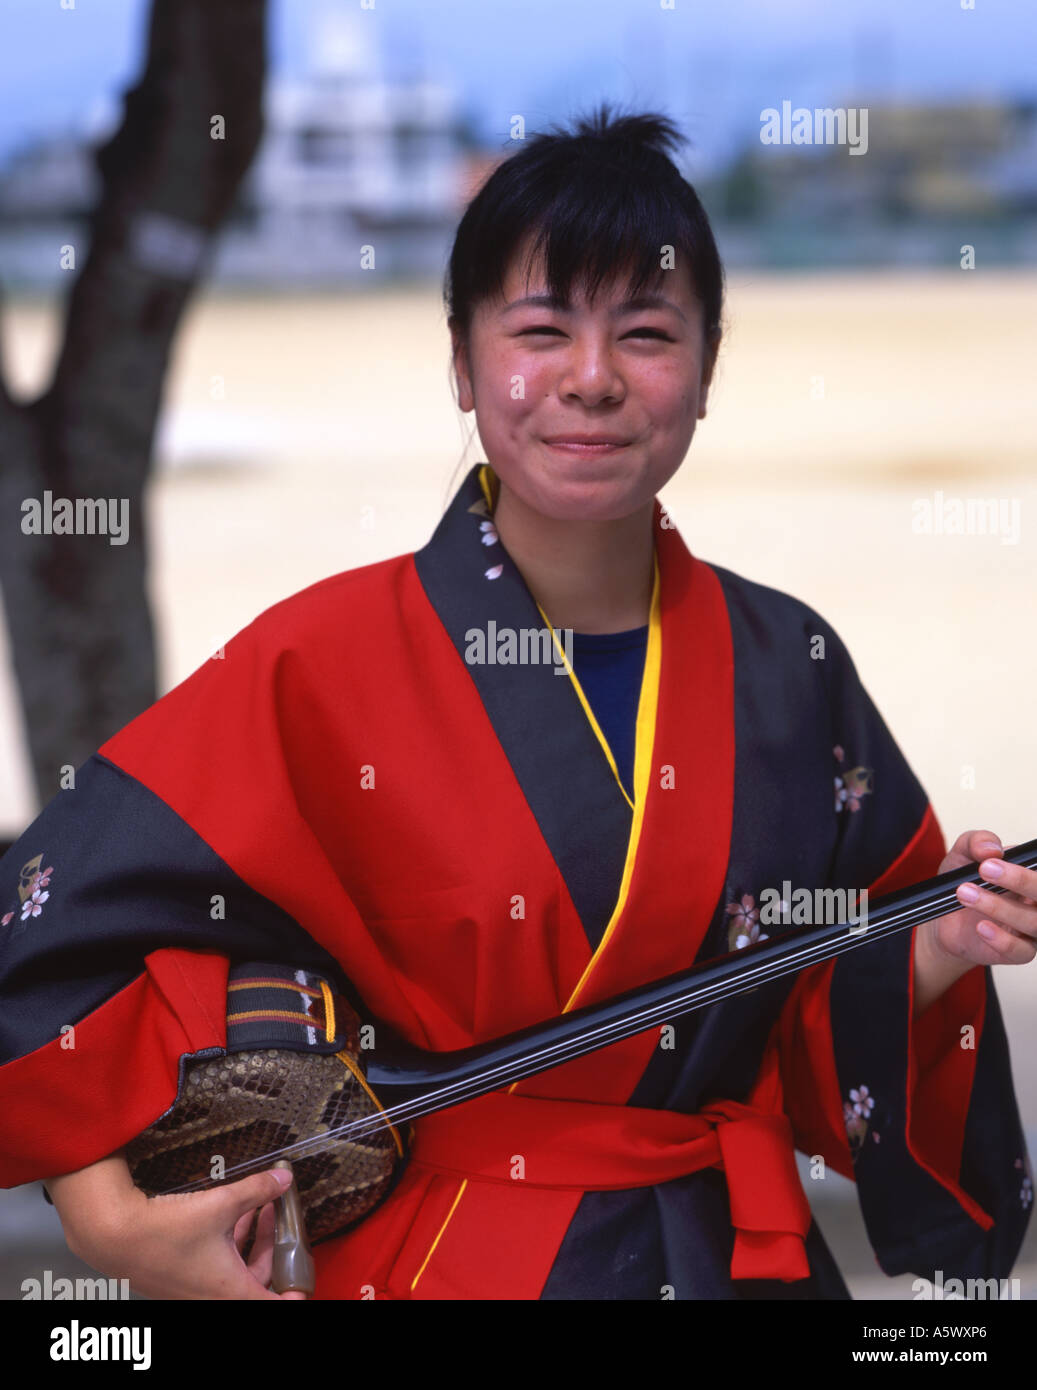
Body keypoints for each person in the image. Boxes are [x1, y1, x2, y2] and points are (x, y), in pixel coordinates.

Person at [0, 105, 1033, 1302]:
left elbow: (794, 1034)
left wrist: (931, 955)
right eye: (540, 330)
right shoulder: (319, 660)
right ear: (461, 359)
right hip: (435, 1263)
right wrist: (111, 1219)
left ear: (705, 368)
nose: (590, 381)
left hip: (727, 1256)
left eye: (644, 333)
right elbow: (49, 937)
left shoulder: (789, 666)